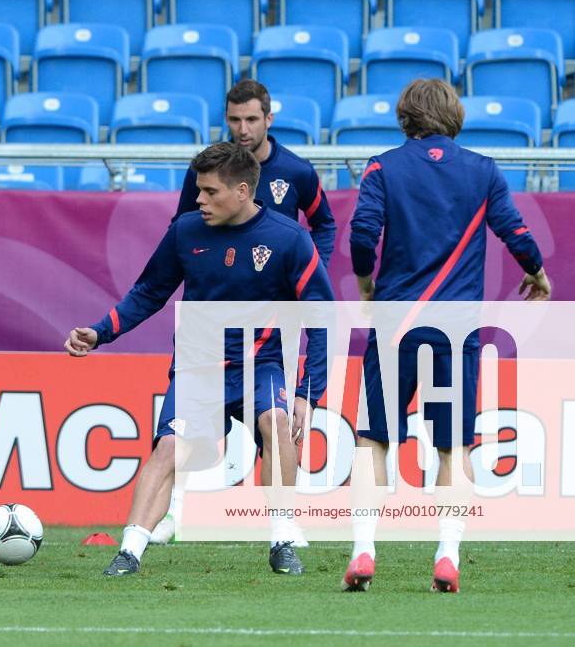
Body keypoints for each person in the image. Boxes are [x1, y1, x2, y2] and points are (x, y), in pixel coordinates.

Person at [65, 142, 334, 577]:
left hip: (260, 366)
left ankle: (283, 539)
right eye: (199, 191)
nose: (200, 200)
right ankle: (129, 551)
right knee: (170, 446)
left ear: (243, 191)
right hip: (197, 370)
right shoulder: (185, 232)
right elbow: (149, 292)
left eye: (210, 192)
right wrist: (100, 331)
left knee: (278, 423)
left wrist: (309, 393)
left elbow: (321, 317)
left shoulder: (290, 240)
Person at [346, 78, 551, 593]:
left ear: (405, 116)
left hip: (397, 324)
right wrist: (537, 271)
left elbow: (362, 235)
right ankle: (447, 553)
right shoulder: (482, 171)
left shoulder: (382, 166)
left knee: (374, 437)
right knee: (453, 448)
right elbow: (517, 233)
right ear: (454, 115)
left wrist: (368, 284)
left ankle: (364, 550)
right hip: (456, 330)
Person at [174, 79, 336, 267]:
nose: (243, 130)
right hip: (220, 285)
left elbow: (324, 225)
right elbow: (182, 225)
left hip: (275, 289)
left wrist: (314, 270)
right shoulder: (205, 169)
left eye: (251, 119)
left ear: (269, 119)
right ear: (226, 119)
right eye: (235, 120)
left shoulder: (298, 171)